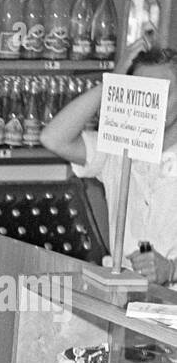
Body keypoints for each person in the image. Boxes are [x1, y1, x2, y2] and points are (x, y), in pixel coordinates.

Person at [40, 38, 177, 285]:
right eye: (141, 93)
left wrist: (171, 269)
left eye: (161, 94)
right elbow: (53, 138)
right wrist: (111, 82)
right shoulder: (119, 148)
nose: (151, 104)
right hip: (121, 290)